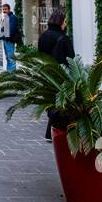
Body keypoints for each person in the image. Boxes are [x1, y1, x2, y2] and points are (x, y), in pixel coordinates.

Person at [37, 10, 74, 140]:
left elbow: (40, 54)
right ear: (61, 22)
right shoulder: (63, 38)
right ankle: (56, 132)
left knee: (52, 101)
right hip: (61, 74)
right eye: (64, 21)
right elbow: (71, 58)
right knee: (61, 102)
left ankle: (50, 133)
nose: (65, 24)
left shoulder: (43, 35)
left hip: (47, 73)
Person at [1, 2, 22, 72]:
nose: (4, 11)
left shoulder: (12, 17)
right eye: (3, 9)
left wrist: (7, 38)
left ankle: (12, 75)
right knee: (8, 58)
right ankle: (9, 73)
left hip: (9, 40)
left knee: (11, 58)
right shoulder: (6, 17)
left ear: (9, 9)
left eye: (5, 9)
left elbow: (12, 29)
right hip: (5, 40)